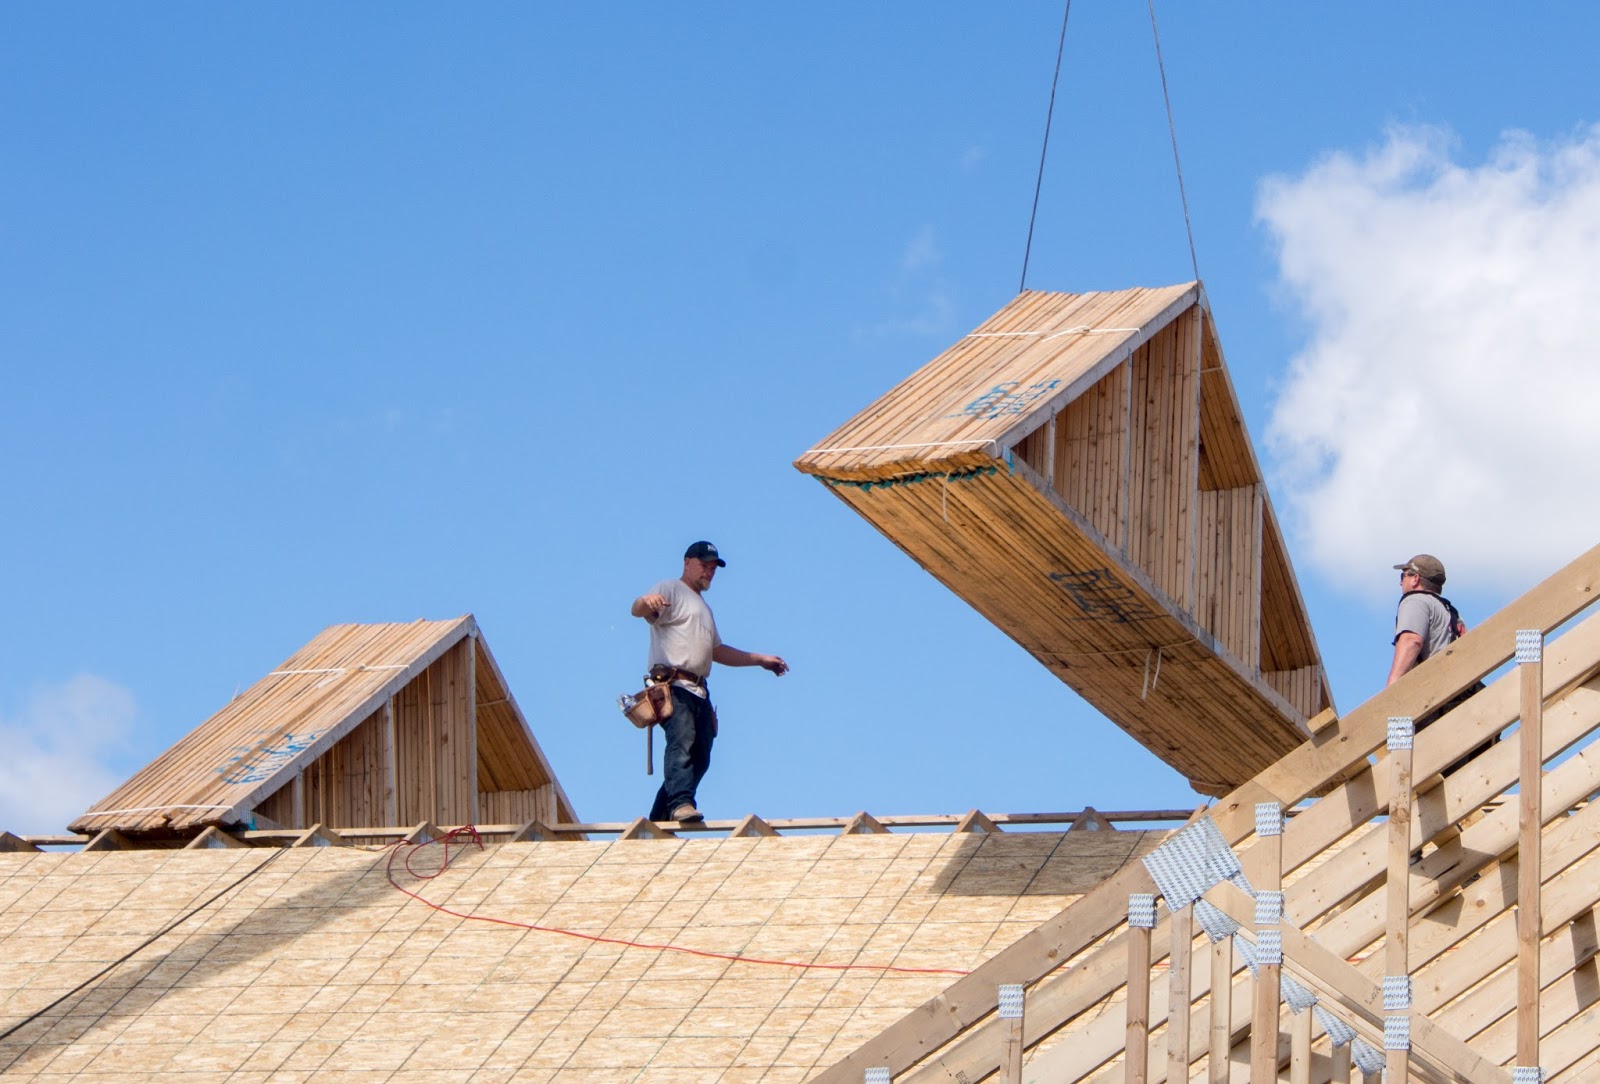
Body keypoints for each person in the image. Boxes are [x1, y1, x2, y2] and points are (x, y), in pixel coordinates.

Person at [631, 540, 787, 823]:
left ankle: (660, 819)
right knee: (681, 742)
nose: (709, 572)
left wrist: (759, 659)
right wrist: (646, 601)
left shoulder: (703, 607)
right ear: (687, 562)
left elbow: (717, 651)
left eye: (713, 568)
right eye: (704, 565)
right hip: (673, 685)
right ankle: (680, 804)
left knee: (700, 755)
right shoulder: (670, 589)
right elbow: (639, 609)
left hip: (699, 690)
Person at [1386, 553, 1490, 775]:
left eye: (1403, 575)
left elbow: (1412, 639)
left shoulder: (1415, 601)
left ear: (1415, 579)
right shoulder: (1451, 612)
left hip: (1435, 701)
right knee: (1458, 779)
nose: (1400, 581)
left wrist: (1393, 685)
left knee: (1426, 774)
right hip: (1462, 700)